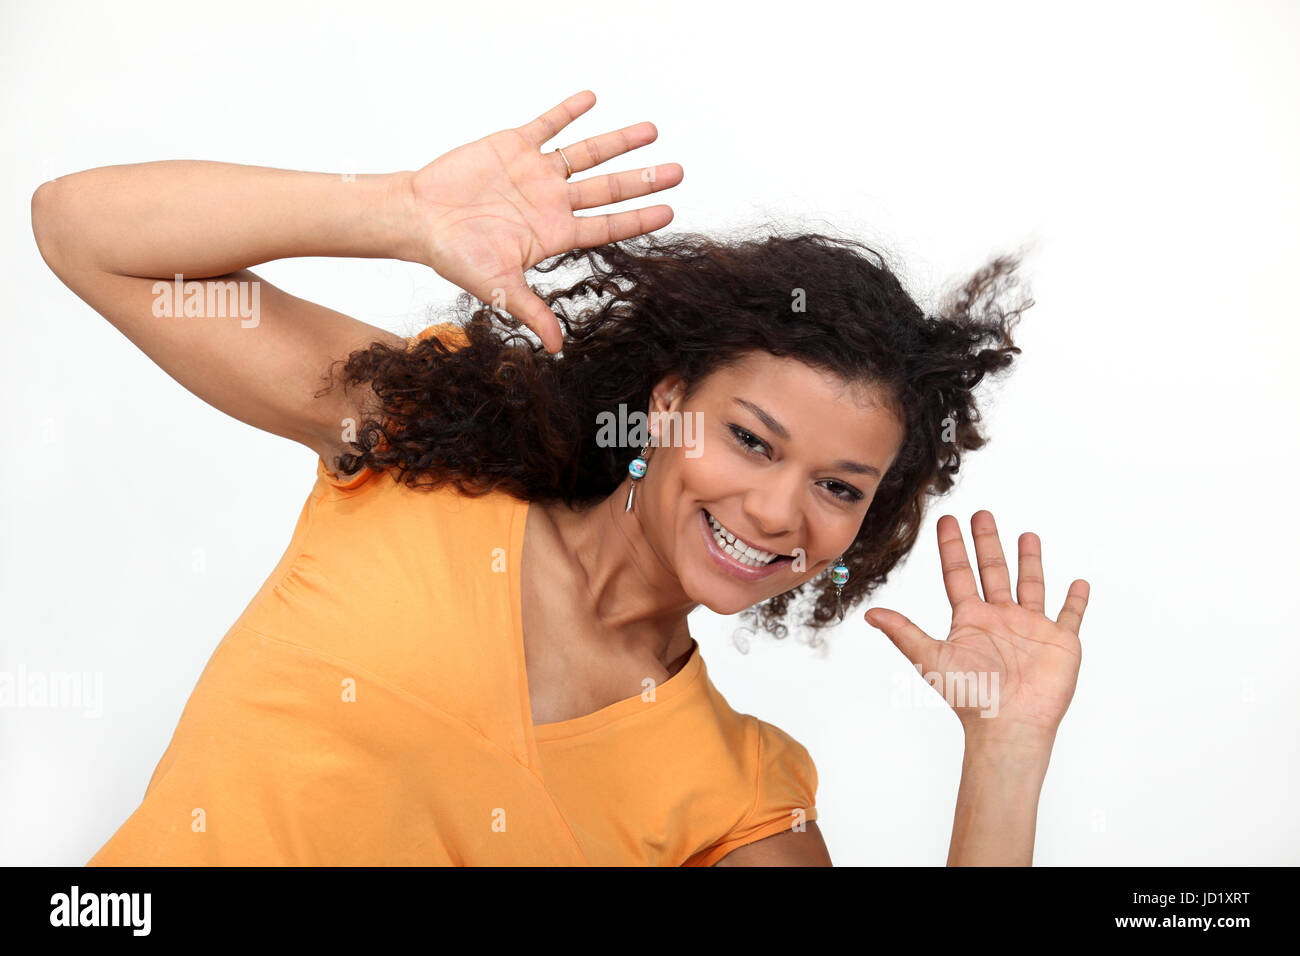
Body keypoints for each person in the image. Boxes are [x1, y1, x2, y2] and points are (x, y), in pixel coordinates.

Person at [31, 89, 1089, 866]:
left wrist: (1005, 751)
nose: (777, 511)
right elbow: (83, 232)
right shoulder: (422, 451)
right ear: (666, 403)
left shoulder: (734, 796)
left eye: (840, 486)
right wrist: (397, 209)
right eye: (753, 440)